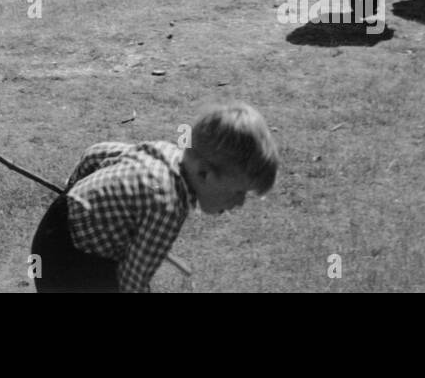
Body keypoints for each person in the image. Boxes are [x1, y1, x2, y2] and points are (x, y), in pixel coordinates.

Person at [30, 103, 278, 294]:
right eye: (238, 192)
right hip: (69, 262)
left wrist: (73, 192)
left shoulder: (166, 152)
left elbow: (96, 152)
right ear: (204, 173)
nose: (240, 203)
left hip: (55, 229)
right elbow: (132, 282)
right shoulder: (167, 206)